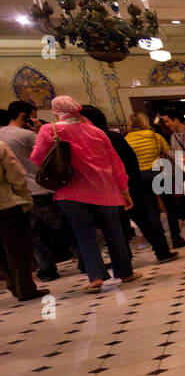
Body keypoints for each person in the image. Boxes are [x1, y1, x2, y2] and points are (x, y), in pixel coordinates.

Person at [30, 96, 137, 293]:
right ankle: (125, 272)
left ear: (55, 112)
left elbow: (36, 158)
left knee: (84, 235)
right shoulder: (95, 131)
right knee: (114, 233)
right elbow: (116, 163)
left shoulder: (50, 130)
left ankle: (95, 278)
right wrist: (124, 190)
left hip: (71, 192)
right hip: (106, 190)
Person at [81, 106, 177, 265]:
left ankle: (123, 259)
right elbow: (131, 161)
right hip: (130, 184)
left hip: (106, 189)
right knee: (145, 219)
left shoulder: (96, 139)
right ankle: (162, 251)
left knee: (115, 226)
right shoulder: (116, 137)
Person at [0, 100, 79, 281]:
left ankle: (46, 269)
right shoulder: (27, 135)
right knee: (64, 227)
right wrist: (38, 133)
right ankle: (84, 260)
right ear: (24, 115)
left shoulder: (1, 136)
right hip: (41, 188)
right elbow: (49, 154)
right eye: (33, 115)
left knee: (36, 234)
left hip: (21, 194)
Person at [126, 111, 185, 248]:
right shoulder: (155, 137)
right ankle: (176, 238)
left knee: (152, 211)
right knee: (171, 207)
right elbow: (171, 155)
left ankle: (161, 243)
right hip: (159, 174)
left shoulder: (126, 140)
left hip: (140, 178)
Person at [0, 138, 39, 301]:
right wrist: (23, 195)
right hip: (6, 203)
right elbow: (15, 174)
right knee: (18, 248)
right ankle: (25, 287)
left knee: (1, 251)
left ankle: (12, 283)